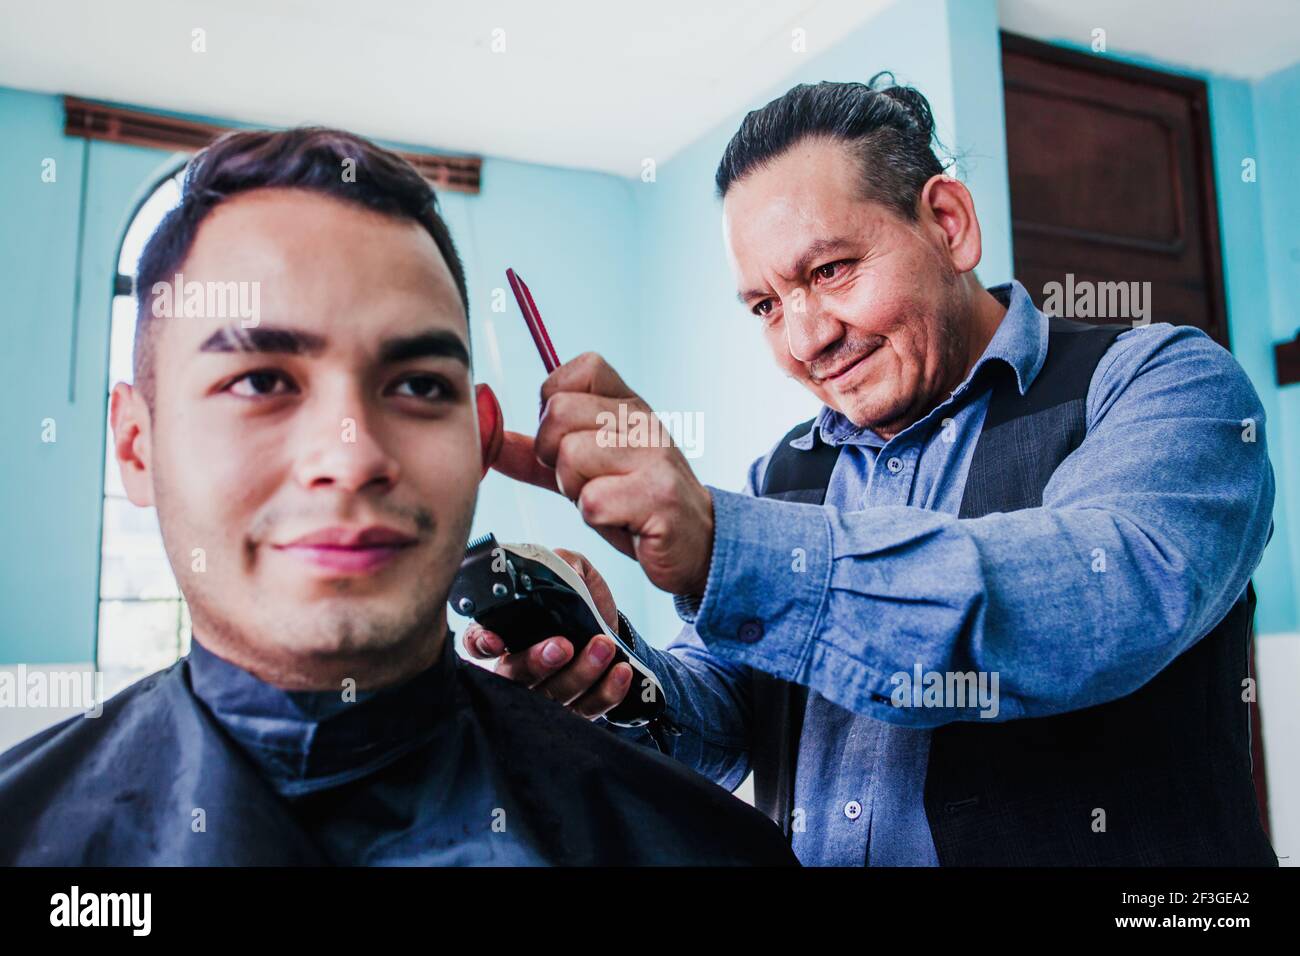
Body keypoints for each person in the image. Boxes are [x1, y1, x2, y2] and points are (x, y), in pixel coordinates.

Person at [468, 75, 1279, 866]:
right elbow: (730, 723)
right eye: (766, 305)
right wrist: (617, 672)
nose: (805, 339)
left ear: (949, 223)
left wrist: (722, 545)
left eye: (829, 272)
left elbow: (1098, 605)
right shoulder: (783, 471)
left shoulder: (1164, 384)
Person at [0, 127, 796, 867]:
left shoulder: (701, 848)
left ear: (484, 437)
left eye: (417, 385)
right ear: (138, 444)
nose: (352, 460)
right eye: (260, 381)